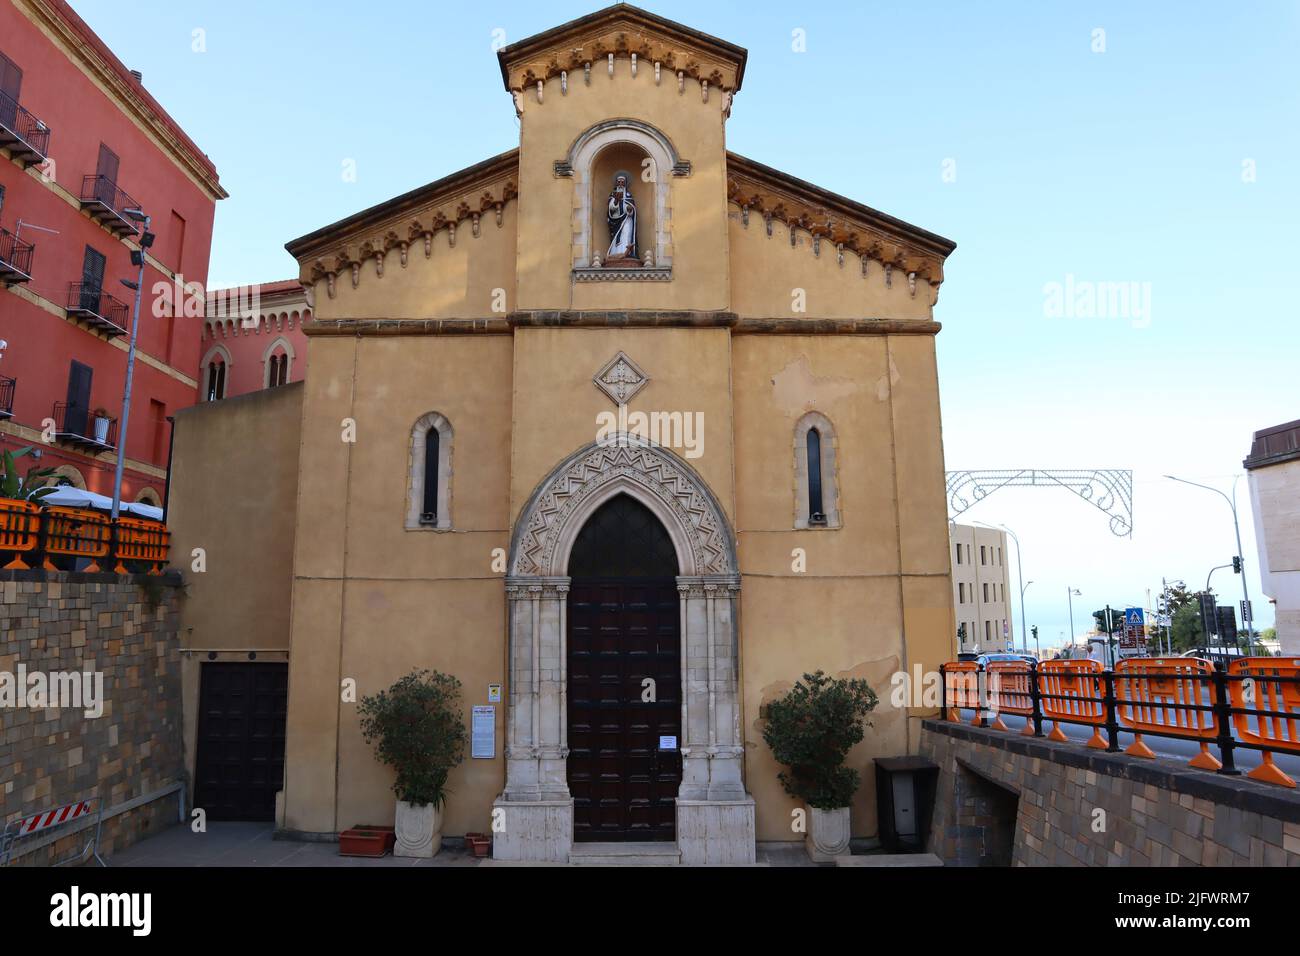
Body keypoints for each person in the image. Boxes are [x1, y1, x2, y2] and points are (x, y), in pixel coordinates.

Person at [606, 172, 637, 261]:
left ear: (625, 183)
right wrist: (616, 201)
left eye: (622, 182)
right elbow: (610, 209)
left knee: (626, 234)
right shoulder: (613, 195)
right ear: (616, 183)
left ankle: (627, 252)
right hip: (616, 221)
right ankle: (615, 253)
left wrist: (630, 209)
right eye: (618, 182)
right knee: (616, 237)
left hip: (627, 220)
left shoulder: (628, 195)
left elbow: (633, 209)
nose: (620, 184)